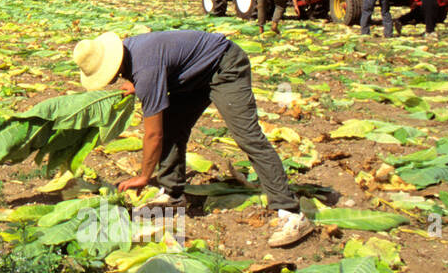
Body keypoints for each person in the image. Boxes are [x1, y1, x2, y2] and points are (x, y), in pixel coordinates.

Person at [73, 29, 314, 248]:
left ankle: (291, 213)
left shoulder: (144, 69)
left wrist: (145, 176)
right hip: (194, 75)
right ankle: (172, 194)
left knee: (248, 137)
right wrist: (140, 86)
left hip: (224, 65)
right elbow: (163, 63)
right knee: (172, 127)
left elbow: (153, 135)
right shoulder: (133, 51)